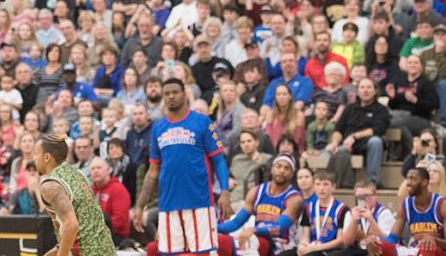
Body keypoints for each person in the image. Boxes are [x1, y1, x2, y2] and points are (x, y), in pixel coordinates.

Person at [132, 78, 233, 254]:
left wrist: (225, 191)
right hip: (168, 203)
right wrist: (140, 206)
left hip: (199, 201)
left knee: (202, 253)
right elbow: (152, 172)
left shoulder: (202, 122)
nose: (171, 96)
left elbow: (218, 160)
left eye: (175, 92)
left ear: (184, 94)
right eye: (167, 94)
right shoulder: (158, 128)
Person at [34, 135, 116, 256]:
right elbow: (86, 217)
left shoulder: (50, 185)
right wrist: (58, 249)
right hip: (107, 249)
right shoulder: (78, 173)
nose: (34, 158)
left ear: (47, 157)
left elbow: (71, 225)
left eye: (36, 153)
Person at [217, 155, 305, 256]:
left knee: (248, 242)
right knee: (219, 242)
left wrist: (254, 230)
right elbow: (236, 222)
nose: (281, 170)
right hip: (256, 237)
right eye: (278, 166)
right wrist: (213, 229)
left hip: (280, 244)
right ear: (272, 169)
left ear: (291, 174)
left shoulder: (294, 199)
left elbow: (278, 229)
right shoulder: (256, 191)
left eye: (286, 168)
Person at [368, 168, 446, 256]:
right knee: (379, 247)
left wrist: (434, 239)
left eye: (413, 179)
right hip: (414, 250)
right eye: (407, 179)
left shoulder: (443, 204)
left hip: (438, 251)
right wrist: (376, 240)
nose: (408, 183)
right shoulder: (405, 205)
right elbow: (393, 238)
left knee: (427, 246)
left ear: (424, 182)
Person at [326, 79, 390, 188]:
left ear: (375, 91)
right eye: (362, 87)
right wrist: (335, 142)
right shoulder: (349, 108)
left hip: (368, 144)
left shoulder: (381, 109)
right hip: (348, 146)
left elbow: (377, 129)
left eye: (369, 87)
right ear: (357, 91)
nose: (365, 90)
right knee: (337, 151)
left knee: (376, 141)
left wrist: (354, 136)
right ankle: (340, 186)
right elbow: (338, 130)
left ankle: (373, 181)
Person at [289, 170, 349, 256]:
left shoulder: (342, 209)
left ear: (333, 187)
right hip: (312, 246)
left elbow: (341, 241)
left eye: (325, 184)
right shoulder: (309, 207)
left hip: (331, 249)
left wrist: (317, 248)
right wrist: (302, 245)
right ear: (313, 187)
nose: (321, 188)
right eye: (318, 184)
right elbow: (305, 236)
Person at [331, 180, 395, 256]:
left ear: (375, 196)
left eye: (367, 196)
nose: (363, 200)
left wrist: (371, 220)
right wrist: (353, 221)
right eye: (360, 197)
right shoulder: (351, 213)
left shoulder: (384, 213)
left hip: (377, 250)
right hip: (357, 249)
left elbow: (387, 242)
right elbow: (347, 242)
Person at [89, 156, 131, 245]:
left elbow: (119, 220)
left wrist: (97, 233)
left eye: (99, 168)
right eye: (93, 169)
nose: (95, 171)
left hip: (116, 237)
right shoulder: (89, 191)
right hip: (93, 235)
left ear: (108, 170)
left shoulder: (119, 189)